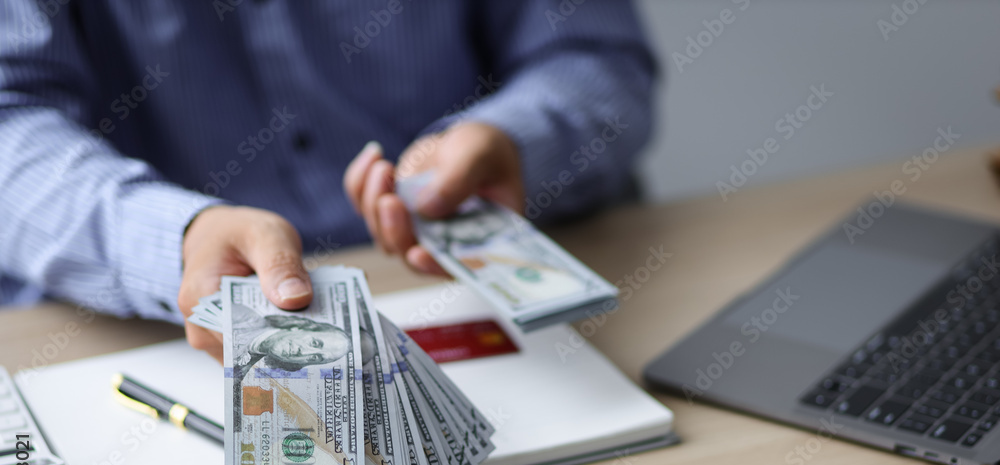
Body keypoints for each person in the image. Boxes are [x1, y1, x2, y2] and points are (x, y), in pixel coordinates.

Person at [0, 1, 657, 363]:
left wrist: (519, 137)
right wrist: (175, 239)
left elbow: (592, 54)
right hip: (147, 339)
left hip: (516, 309)